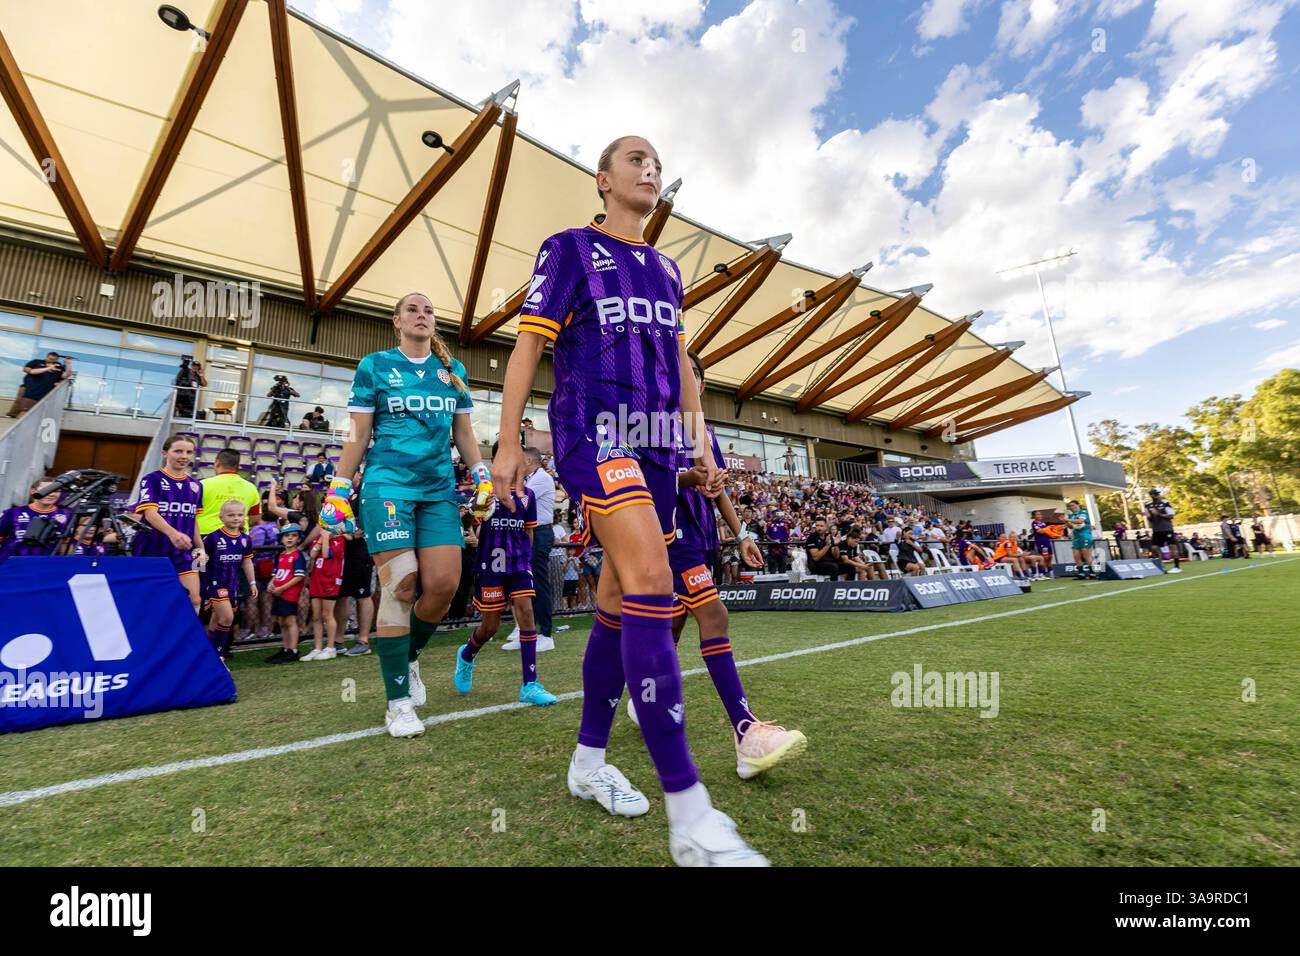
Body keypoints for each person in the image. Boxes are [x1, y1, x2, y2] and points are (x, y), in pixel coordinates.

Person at [491, 135, 766, 864]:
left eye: (658, 161)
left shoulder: (670, 270)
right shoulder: (570, 248)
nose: (651, 168)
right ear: (604, 179)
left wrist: (698, 451)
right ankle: (693, 817)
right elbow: (529, 344)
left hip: (659, 446)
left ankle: (587, 764)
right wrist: (508, 440)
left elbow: (680, 366)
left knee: (617, 605)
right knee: (653, 581)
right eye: (636, 158)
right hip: (594, 430)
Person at [626, 350, 805, 780]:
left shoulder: (702, 429)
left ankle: (640, 693)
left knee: (675, 621)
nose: (692, 381)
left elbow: (717, 485)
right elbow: (639, 478)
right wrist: (686, 478)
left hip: (702, 533)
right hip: (669, 531)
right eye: (683, 372)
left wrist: (741, 534)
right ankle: (746, 733)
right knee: (713, 614)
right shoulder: (647, 419)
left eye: (697, 376)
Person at [328, 291, 492, 738]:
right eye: (413, 310)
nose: (422, 315)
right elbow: (358, 434)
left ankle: (410, 655)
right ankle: (398, 703)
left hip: (439, 490)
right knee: (401, 584)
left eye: (429, 309)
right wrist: (340, 486)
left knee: (443, 585)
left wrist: (481, 475)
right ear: (397, 321)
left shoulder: (451, 371)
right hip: (387, 487)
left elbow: (464, 432)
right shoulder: (375, 366)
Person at [452, 451, 558, 706]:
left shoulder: (527, 496)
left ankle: (530, 685)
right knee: (490, 627)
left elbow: (529, 531)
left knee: (526, 613)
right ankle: (467, 655)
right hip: (490, 566)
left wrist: (526, 561)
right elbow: (468, 521)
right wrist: (473, 516)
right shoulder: (484, 493)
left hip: (519, 564)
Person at [132, 434, 204, 612]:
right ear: (165, 453)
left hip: (183, 553)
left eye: (188, 452)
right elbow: (149, 513)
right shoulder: (152, 479)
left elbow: (192, 520)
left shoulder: (196, 485)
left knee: (194, 599)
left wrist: (200, 548)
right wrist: (173, 533)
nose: (184, 456)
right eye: (178, 451)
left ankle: (184, 639)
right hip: (152, 549)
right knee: (150, 601)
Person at [501, 446, 557, 651]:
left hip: (540, 533)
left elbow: (519, 502)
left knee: (538, 583)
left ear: (529, 461)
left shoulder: (541, 479)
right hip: (527, 534)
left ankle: (546, 634)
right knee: (524, 583)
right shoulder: (531, 478)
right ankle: (528, 632)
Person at [199, 500, 256, 661]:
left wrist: (252, 583)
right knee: (227, 618)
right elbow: (197, 563)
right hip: (215, 584)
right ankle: (218, 655)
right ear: (221, 517)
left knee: (217, 620)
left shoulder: (245, 539)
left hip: (233, 585)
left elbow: (247, 561)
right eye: (231, 515)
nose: (236, 518)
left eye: (239, 515)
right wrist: (201, 582)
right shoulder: (212, 538)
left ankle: (208, 655)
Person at [0, 479, 73, 565]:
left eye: (57, 491)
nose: (52, 494)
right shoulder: (13, 513)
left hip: (46, 567)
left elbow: (66, 545)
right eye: (47, 489)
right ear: (33, 491)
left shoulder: (67, 515)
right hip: (11, 565)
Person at [265, 527, 308, 663]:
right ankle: (285, 648)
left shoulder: (297, 556)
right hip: (278, 593)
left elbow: (299, 576)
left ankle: (293, 650)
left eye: (293, 535)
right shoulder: (281, 555)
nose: (289, 538)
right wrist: (271, 583)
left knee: (290, 620)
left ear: (299, 539)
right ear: (281, 539)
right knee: (281, 621)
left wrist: (282, 588)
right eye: (286, 536)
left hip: (289, 594)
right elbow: (276, 574)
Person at [198, 449, 261, 536]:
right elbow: (255, 518)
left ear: (217, 463)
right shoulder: (251, 488)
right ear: (238, 466)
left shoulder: (202, 485)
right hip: (238, 536)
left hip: (206, 535)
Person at [11, 352, 71, 416]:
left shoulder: (59, 366)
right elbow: (27, 370)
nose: (52, 360)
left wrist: (68, 364)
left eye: (55, 359)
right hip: (28, 388)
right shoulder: (37, 362)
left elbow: (66, 375)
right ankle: (11, 416)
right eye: (51, 358)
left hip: (45, 392)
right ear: (47, 356)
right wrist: (48, 368)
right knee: (20, 405)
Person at [1143, 488, 1182, 573]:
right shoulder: (1148, 505)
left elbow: (1171, 516)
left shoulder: (1165, 503)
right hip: (1156, 530)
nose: (1156, 496)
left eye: (1157, 494)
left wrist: (1159, 514)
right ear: (1151, 496)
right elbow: (1148, 516)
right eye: (1154, 494)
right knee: (1154, 547)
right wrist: (1148, 515)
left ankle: (1177, 567)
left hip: (1166, 529)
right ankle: (1161, 566)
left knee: (1172, 547)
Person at [1065, 499, 1095, 579]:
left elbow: (1080, 521)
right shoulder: (1071, 515)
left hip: (1085, 535)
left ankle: (1092, 572)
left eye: (1073, 505)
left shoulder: (1083, 512)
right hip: (1076, 535)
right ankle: (1081, 573)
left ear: (1078, 505)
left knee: (1086, 554)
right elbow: (1072, 526)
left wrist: (1068, 520)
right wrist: (1067, 523)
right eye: (1070, 506)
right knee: (1076, 555)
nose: (1072, 507)